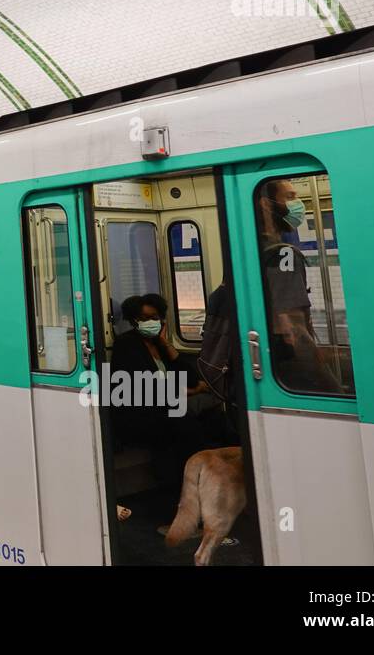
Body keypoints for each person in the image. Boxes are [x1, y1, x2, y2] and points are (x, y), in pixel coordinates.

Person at [110, 293, 230, 504]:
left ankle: (218, 484)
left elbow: (191, 378)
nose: (150, 323)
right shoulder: (127, 346)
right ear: (133, 321)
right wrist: (188, 392)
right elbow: (144, 388)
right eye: (144, 318)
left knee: (216, 420)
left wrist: (167, 345)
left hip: (165, 406)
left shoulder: (159, 345)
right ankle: (179, 501)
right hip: (138, 413)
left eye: (154, 317)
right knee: (183, 427)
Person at [255, 179, 346, 395]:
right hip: (287, 359)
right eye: (290, 197)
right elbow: (292, 325)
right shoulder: (282, 254)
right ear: (267, 205)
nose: (299, 204)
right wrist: (328, 380)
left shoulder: (256, 247)